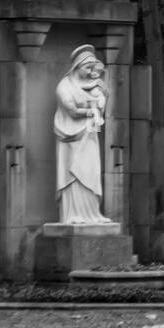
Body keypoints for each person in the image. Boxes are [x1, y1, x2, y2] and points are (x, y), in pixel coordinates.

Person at [54, 44, 112, 224]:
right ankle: (72, 214)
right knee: (74, 173)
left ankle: (93, 214)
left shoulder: (94, 85)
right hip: (70, 137)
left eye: (93, 68)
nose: (91, 72)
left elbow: (101, 108)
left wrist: (103, 98)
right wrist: (93, 107)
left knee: (90, 172)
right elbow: (71, 110)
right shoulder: (65, 86)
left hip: (90, 135)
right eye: (87, 68)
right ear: (77, 67)